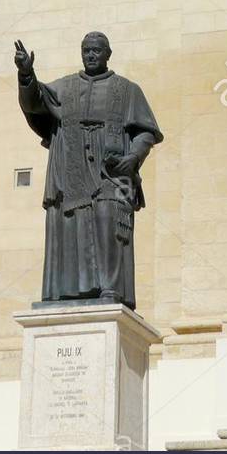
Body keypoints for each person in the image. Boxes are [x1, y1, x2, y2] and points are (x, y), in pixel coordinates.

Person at [15, 32, 162, 310]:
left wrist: (133, 157)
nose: (91, 55)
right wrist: (26, 74)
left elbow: (146, 132)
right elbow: (35, 102)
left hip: (112, 168)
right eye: (86, 50)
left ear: (108, 54)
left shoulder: (127, 89)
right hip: (72, 164)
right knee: (72, 221)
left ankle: (110, 289)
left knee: (108, 218)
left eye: (96, 51)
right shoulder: (65, 87)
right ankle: (69, 291)